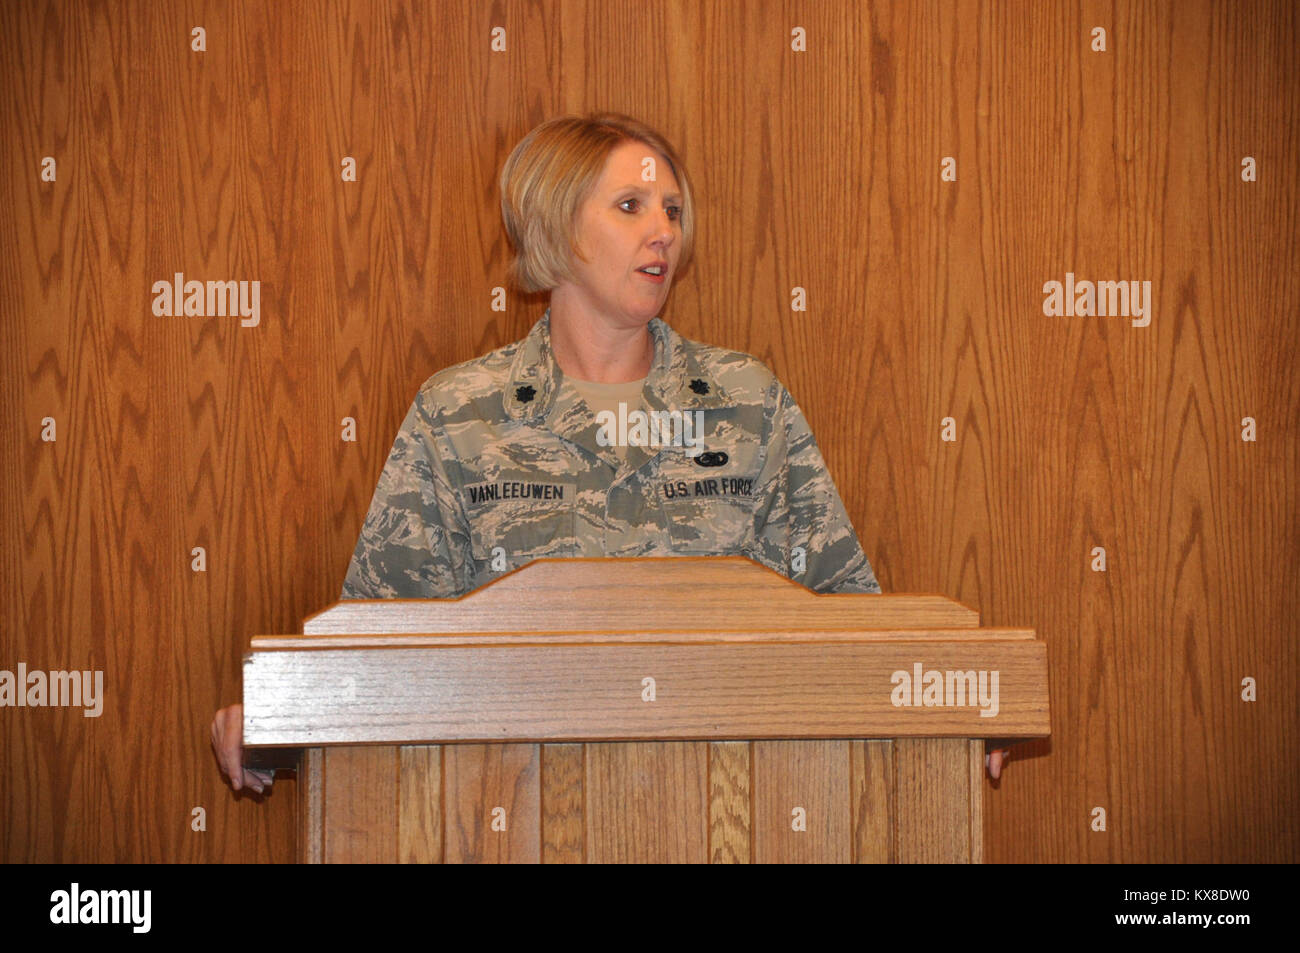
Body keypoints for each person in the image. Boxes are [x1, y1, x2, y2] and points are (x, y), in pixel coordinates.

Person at [211, 113, 1011, 794]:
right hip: (509, 807)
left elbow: (849, 622)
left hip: (731, 808)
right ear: (557, 228)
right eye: (630, 206)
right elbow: (382, 643)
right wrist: (277, 729)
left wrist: (956, 710)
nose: (663, 230)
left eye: (670, 208)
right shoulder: (460, 415)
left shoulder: (744, 402)